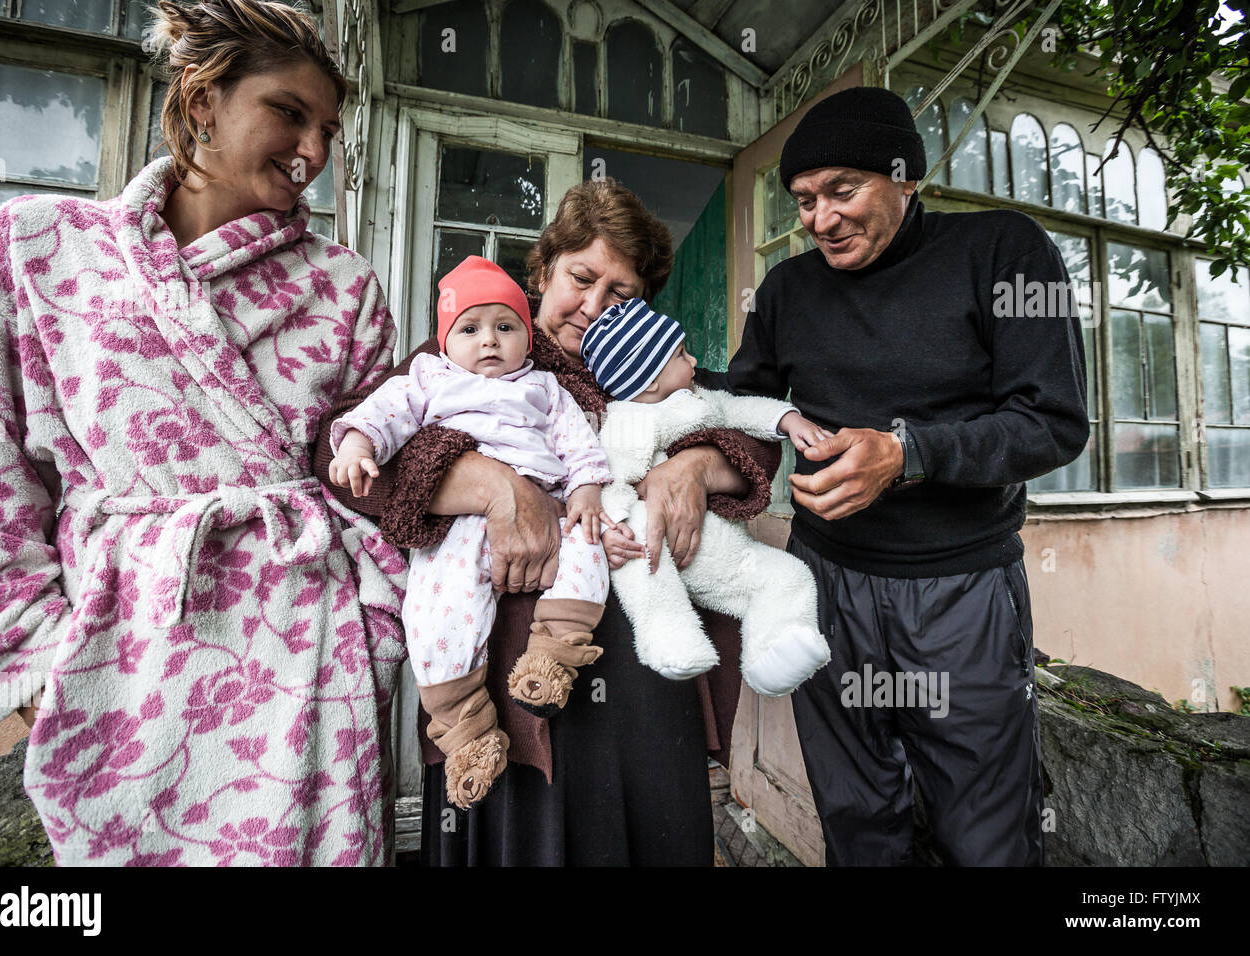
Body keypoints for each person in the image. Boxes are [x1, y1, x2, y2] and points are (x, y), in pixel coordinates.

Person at [0, 0, 408, 866]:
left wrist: (373, 624)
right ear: (202, 99)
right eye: (288, 112)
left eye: (328, 129)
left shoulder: (344, 286)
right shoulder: (40, 247)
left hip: (308, 665)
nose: (314, 150)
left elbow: (379, 477)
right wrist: (30, 662)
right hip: (116, 665)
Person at [314, 179, 781, 866]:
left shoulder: (656, 370)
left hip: (643, 684)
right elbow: (344, 441)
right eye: (580, 278)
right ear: (543, 271)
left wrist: (694, 467)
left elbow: (752, 433)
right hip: (499, 670)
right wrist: (495, 486)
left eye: (620, 293)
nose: (593, 308)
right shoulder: (470, 351)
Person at [728, 86, 1091, 866]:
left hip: (960, 593)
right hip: (824, 586)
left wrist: (906, 453)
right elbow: (748, 404)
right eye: (803, 200)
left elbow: (1053, 421)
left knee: (985, 834)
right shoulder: (788, 290)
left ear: (907, 176)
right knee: (857, 822)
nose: (820, 219)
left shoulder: (1003, 251)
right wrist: (686, 446)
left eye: (842, 190)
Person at [327, 255, 611, 810]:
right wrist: (359, 446)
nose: (489, 341)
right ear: (445, 340)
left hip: (548, 509)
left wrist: (586, 493)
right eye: (470, 328)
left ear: (525, 339)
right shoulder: (429, 377)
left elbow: (579, 444)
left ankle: (554, 653)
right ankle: (465, 730)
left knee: (589, 547)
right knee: (437, 612)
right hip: (458, 526)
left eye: (506, 327)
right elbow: (383, 412)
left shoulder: (547, 387)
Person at [582, 296, 831, 695]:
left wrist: (786, 418)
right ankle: (668, 641)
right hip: (654, 547)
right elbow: (609, 480)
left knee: (788, 575)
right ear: (648, 380)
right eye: (681, 354)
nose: (694, 361)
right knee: (644, 569)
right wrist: (611, 528)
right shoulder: (627, 423)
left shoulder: (698, 399)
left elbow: (740, 410)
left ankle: (773, 658)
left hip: (723, 552)